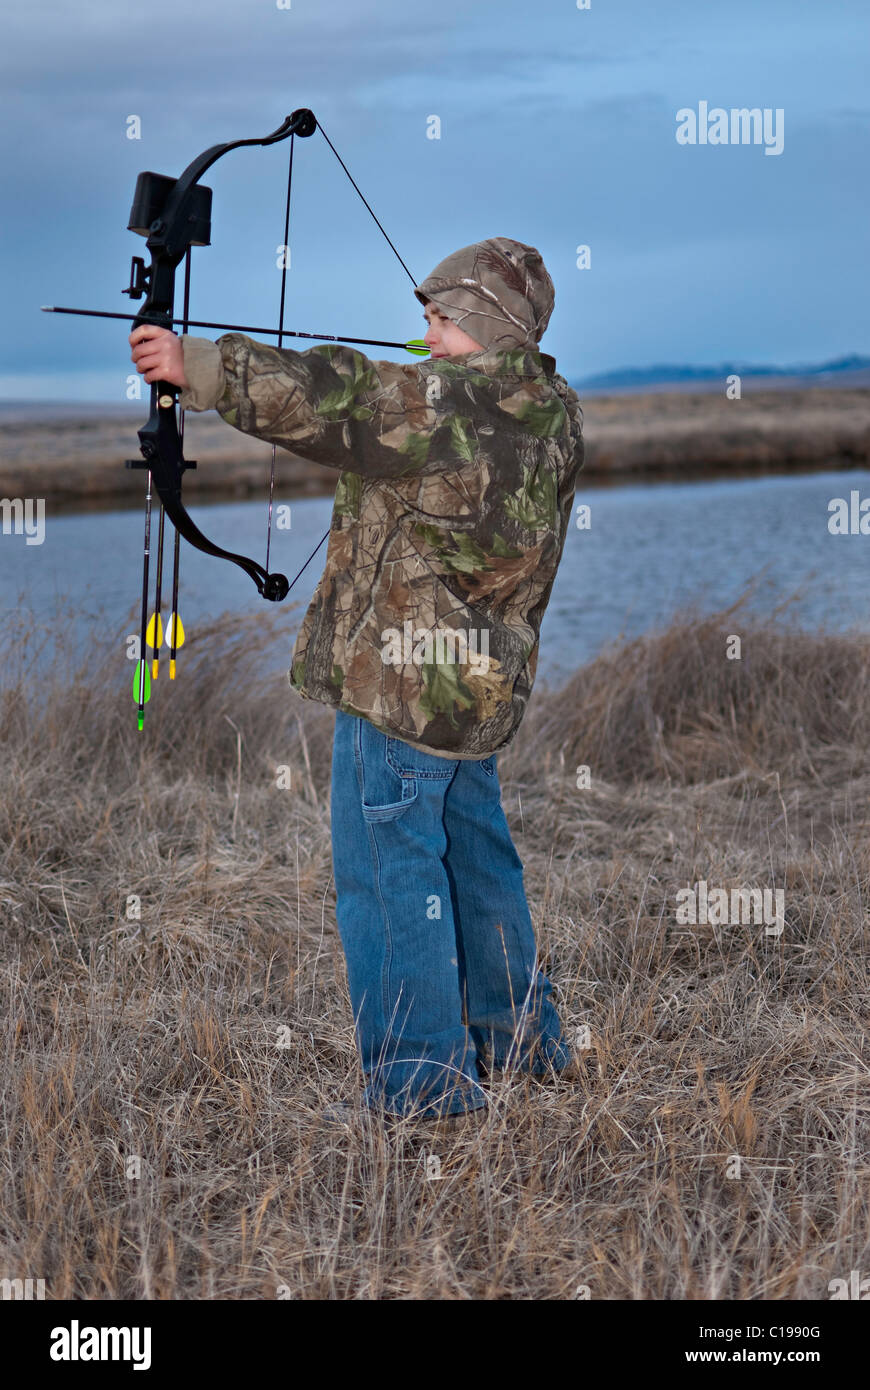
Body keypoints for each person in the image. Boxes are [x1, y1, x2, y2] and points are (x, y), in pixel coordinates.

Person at [129, 236, 585, 1125]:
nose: (425, 336)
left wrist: (197, 366)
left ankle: (423, 1090)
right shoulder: (554, 411)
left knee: (388, 879)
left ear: (488, 328)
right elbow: (393, 399)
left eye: (440, 320)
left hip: (401, 696)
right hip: (478, 701)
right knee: (480, 866)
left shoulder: (443, 408)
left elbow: (336, 397)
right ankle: (524, 1051)